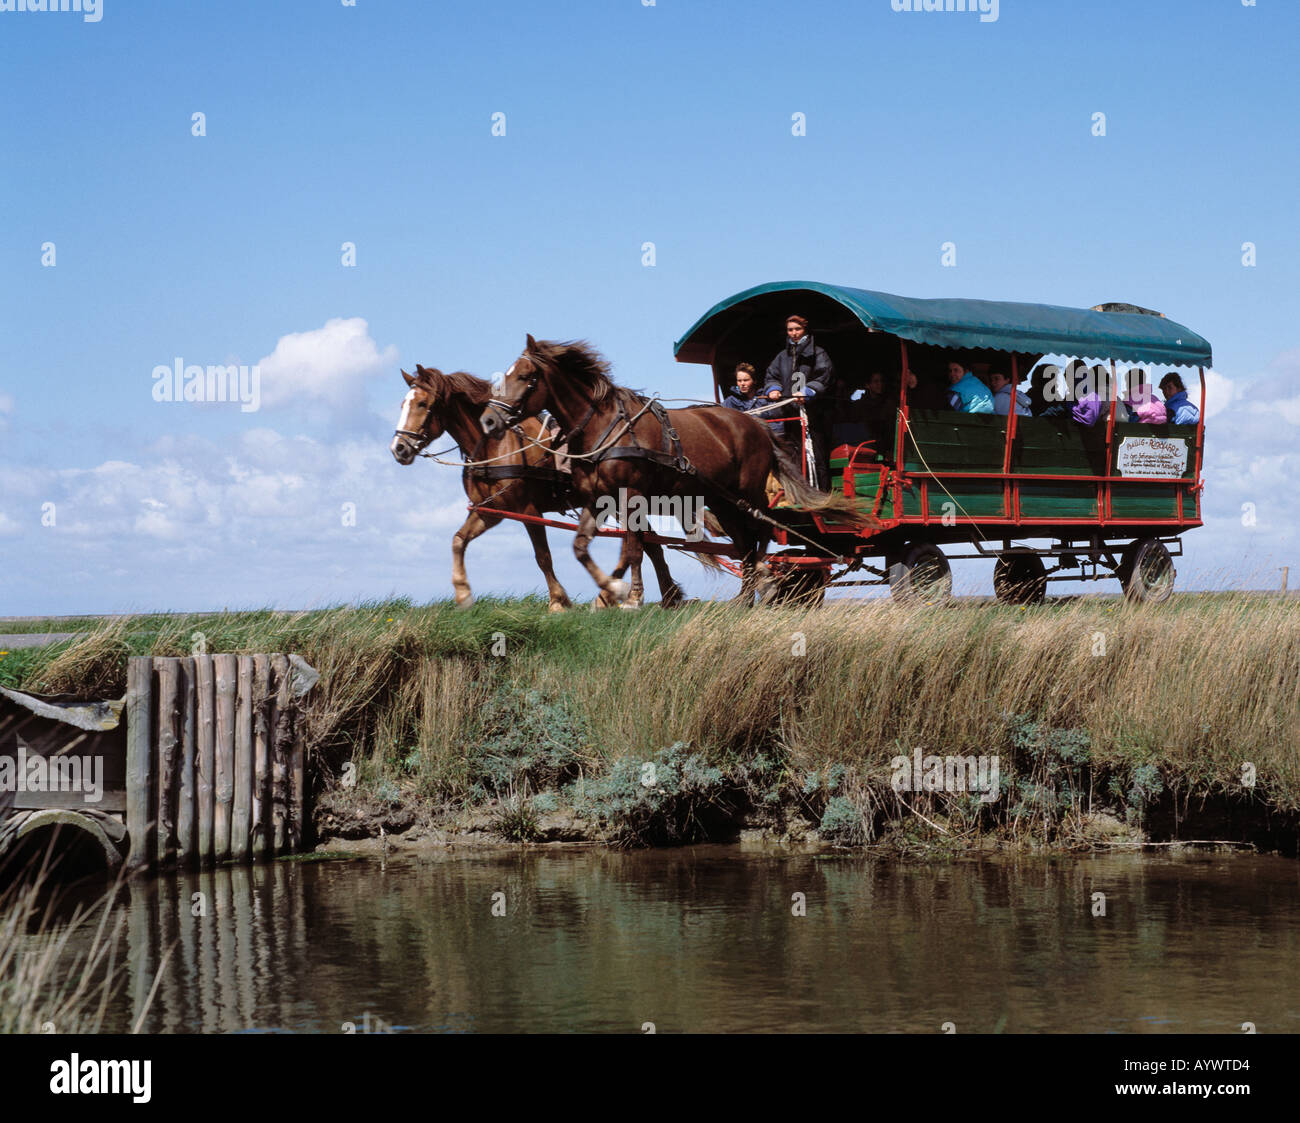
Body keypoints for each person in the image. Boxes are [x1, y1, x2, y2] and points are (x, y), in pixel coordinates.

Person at [764, 314, 835, 489]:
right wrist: (773, 388)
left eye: (797, 329)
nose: (794, 333)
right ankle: (801, 495)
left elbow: (824, 375)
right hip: (790, 415)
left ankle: (822, 496)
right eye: (790, 330)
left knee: (816, 456)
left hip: (813, 415)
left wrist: (808, 390)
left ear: (805, 330)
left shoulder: (818, 353)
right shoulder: (781, 357)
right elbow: (771, 375)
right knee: (795, 457)